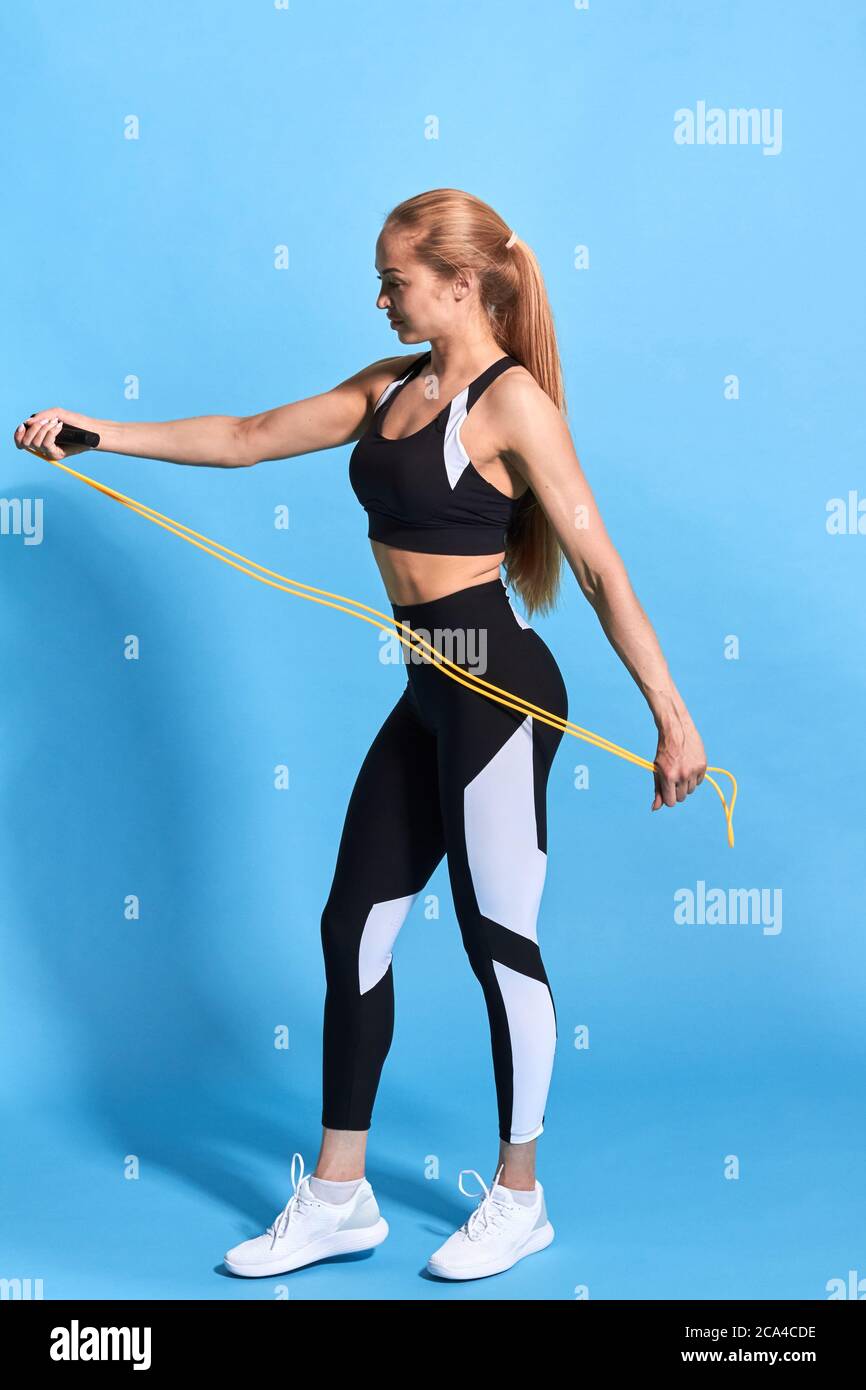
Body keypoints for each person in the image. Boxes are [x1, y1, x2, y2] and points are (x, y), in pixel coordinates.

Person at [15, 187, 707, 1283]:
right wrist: (99, 436)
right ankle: (339, 1195)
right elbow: (245, 439)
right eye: (380, 280)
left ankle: (519, 1196)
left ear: (459, 283)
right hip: (431, 685)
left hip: (500, 689)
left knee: (498, 941)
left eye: (394, 279)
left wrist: (672, 717)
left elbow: (598, 564)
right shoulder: (386, 387)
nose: (379, 297)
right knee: (354, 927)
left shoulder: (510, 402)